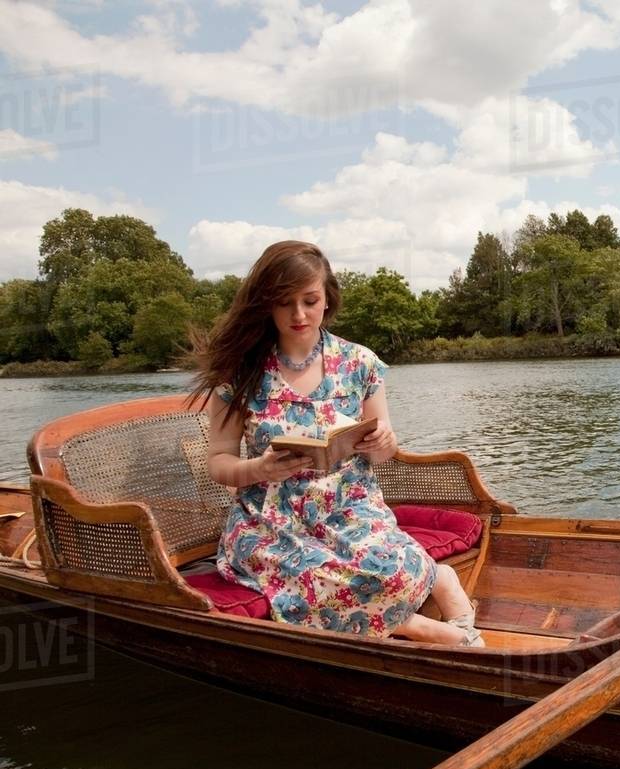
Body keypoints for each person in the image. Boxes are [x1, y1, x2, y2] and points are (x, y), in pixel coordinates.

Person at [190, 240, 483, 647]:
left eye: (310, 300)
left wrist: (383, 439)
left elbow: (384, 450)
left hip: (350, 507)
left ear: (327, 299)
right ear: (266, 306)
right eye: (284, 302)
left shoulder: (359, 363)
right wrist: (257, 469)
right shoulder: (242, 374)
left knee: (396, 566)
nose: (298, 314)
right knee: (312, 575)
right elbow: (218, 460)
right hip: (269, 521)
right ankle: (421, 629)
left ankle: (439, 579)